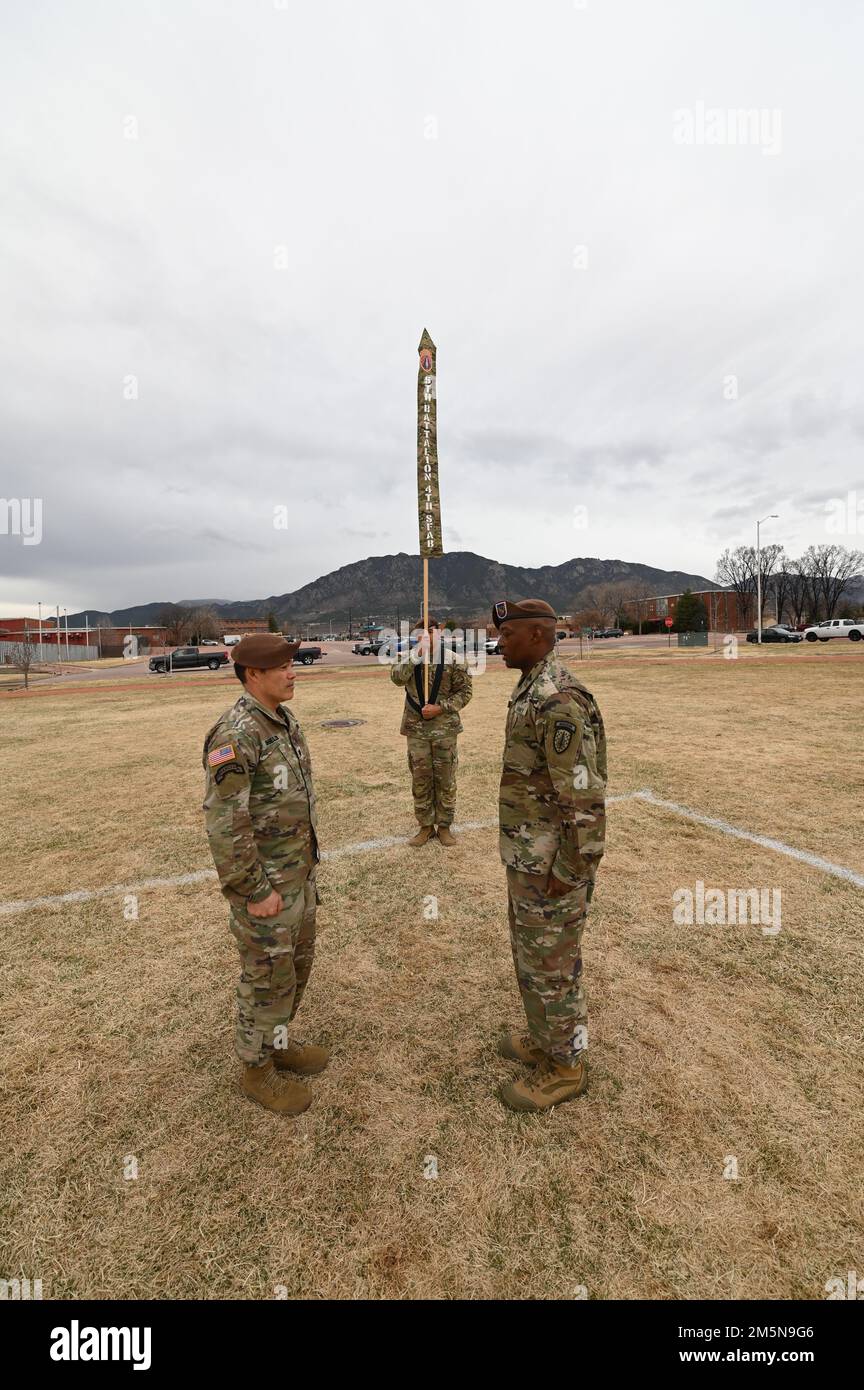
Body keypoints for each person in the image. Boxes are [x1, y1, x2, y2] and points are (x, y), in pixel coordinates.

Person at [202, 633, 326, 1116]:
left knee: (294, 970)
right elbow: (224, 823)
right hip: (267, 887)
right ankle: (256, 1071)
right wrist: (254, 890)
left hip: (297, 877)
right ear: (253, 674)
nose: (293, 672)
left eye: (292, 663)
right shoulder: (236, 734)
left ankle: (276, 1044)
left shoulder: (280, 719)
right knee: (266, 977)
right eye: (283, 666)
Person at [492, 599, 607, 1113]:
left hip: (553, 868)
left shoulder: (558, 699)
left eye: (508, 634)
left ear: (537, 636)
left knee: (553, 967)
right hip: (528, 858)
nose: (499, 642)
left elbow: (582, 796)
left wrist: (570, 869)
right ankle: (546, 1039)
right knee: (532, 959)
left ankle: (566, 1066)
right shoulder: (530, 687)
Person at [390, 619, 473, 847]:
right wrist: (418, 652)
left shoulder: (455, 660)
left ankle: (444, 826)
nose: (425, 635)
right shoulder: (407, 657)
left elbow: (464, 693)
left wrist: (441, 708)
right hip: (416, 730)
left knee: (445, 778)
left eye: (430, 631)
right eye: (421, 632)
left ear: (440, 633)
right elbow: (397, 678)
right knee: (421, 779)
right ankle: (425, 826)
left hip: (444, 729)